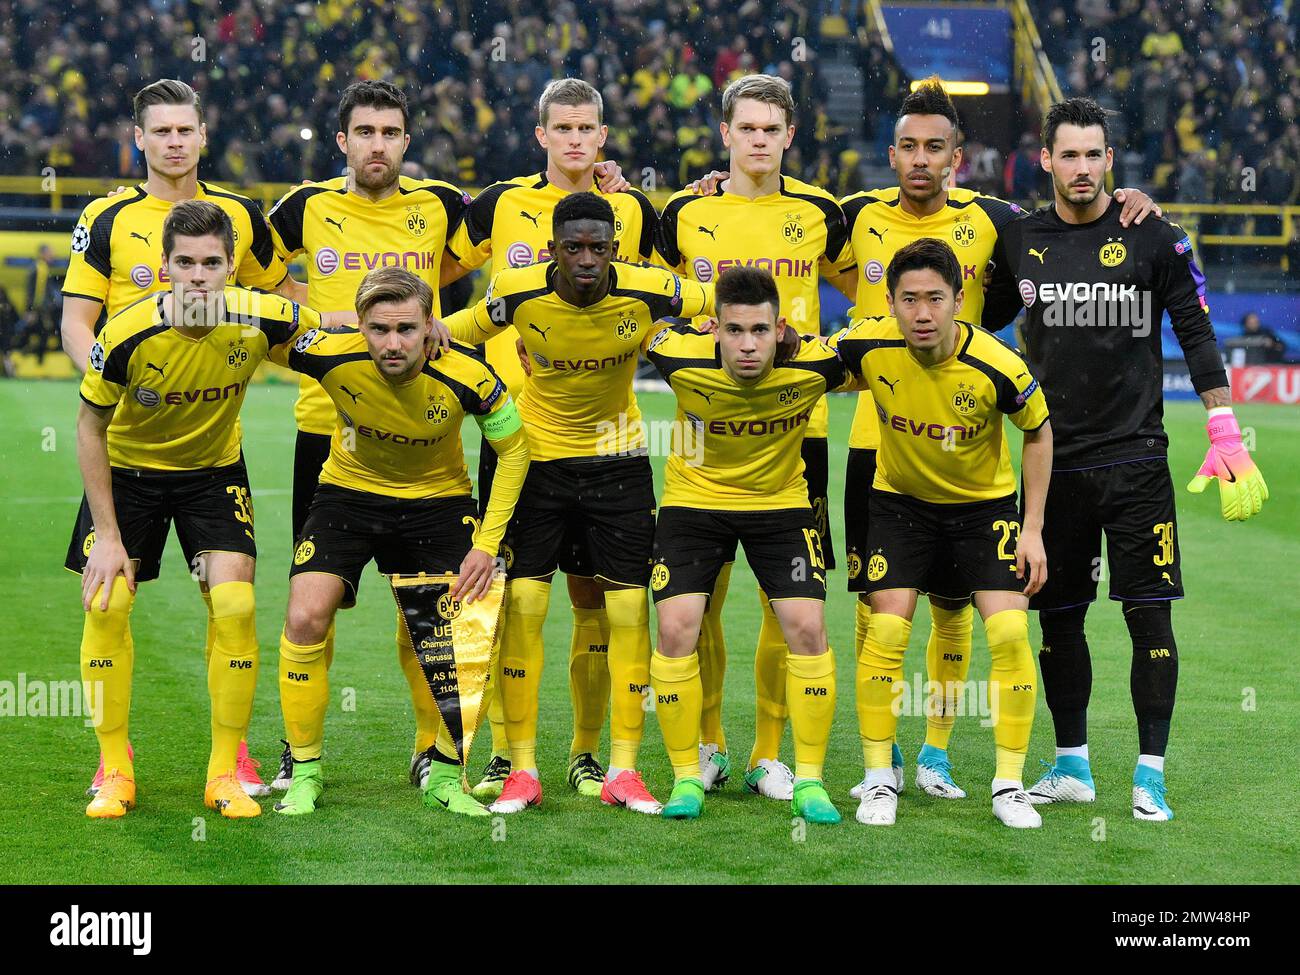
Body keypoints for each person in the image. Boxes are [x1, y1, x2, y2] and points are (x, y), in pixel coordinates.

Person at [822, 78, 1158, 800]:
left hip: (968, 443)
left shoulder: (998, 220)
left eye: (934, 148)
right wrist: (722, 178)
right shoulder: (851, 217)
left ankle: (936, 753)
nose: (919, 159)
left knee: (952, 609)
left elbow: (1075, 222)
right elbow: (770, 226)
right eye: (908, 146)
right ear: (891, 153)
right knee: (879, 607)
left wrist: (1133, 204)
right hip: (878, 441)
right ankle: (876, 760)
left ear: (957, 157)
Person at [984, 97, 1269, 821]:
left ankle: (1150, 772)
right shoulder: (1018, 239)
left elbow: (1197, 334)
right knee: (1061, 619)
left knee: (1150, 616)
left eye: (1095, 155)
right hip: (1054, 463)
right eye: (1068, 155)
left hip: (1138, 461)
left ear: (1111, 158)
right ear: (1046, 160)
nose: (1083, 169)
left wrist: (1225, 426)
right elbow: (970, 321)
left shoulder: (1153, 235)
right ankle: (1073, 762)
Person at [61, 78, 298, 799]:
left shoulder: (240, 218)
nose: (172, 141)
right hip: (127, 450)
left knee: (233, 604)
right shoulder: (105, 217)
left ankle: (230, 761)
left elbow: (285, 308)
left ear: (202, 135)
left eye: (184, 130)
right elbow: (79, 321)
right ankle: (113, 761)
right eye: (158, 130)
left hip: (209, 460)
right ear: (140, 138)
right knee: (106, 605)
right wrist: (114, 372)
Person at [439, 192, 713, 816]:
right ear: (551, 250)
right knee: (526, 606)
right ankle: (523, 769)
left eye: (599, 247)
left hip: (619, 465)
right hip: (537, 462)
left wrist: (768, 328)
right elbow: (463, 327)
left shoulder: (649, 290)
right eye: (574, 247)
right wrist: (417, 329)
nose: (587, 260)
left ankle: (618, 766)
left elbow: (722, 299)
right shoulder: (518, 288)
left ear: (615, 248)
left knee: (624, 614)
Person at [441, 77, 653, 801]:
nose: (573, 139)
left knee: (597, 600)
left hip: (605, 441)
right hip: (512, 434)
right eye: (561, 128)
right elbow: (443, 278)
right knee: (509, 600)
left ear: (602, 136)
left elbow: (672, 289)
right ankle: (507, 753)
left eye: (586, 128)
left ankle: (588, 753)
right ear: (541, 135)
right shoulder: (499, 202)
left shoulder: (631, 208)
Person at [265, 80, 475, 794]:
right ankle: (300, 751)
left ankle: (429, 746)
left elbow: (503, 248)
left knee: (423, 602)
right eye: (365, 132)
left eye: (390, 132)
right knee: (314, 603)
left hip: (421, 435)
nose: (377, 144)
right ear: (342, 142)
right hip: (323, 431)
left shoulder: (439, 204)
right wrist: (310, 315)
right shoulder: (304, 206)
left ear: (406, 143)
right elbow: (255, 275)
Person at [656, 73, 851, 801]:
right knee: (697, 602)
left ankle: (772, 753)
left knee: (787, 603)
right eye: (748, 128)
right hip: (706, 431)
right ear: (726, 134)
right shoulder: (684, 212)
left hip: (799, 428)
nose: (760, 140)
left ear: (789, 136)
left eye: (773, 129)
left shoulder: (823, 214)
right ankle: (706, 744)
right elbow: (653, 300)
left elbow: (869, 293)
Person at [272, 267, 529, 818]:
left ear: (429, 325)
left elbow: (516, 452)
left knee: (464, 627)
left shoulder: (470, 374)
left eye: (407, 329)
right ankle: (305, 771)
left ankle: (443, 773)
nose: (393, 344)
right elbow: (257, 333)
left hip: (438, 502)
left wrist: (486, 543)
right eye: (379, 330)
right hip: (348, 493)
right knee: (304, 618)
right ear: (359, 327)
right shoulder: (328, 352)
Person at [831, 237, 1053, 829]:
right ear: (890, 301)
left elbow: (1039, 432)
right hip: (900, 504)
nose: (922, 313)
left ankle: (1008, 784)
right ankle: (880, 777)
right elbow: (808, 363)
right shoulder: (867, 345)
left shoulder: (1000, 365)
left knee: (1008, 632)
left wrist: (1031, 529)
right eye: (909, 299)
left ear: (959, 299)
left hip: (983, 511)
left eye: (935, 298)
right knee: (886, 626)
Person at [646, 265, 848, 823]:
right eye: (734, 331)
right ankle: (689, 773)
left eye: (760, 331)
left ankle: (807, 778)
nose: (748, 345)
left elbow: (882, 343)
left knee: (807, 627)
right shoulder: (677, 357)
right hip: (695, 502)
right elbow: (626, 306)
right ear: (713, 329)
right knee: (675, 626)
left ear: (781, 328)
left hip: (780, 504)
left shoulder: (816, 362)